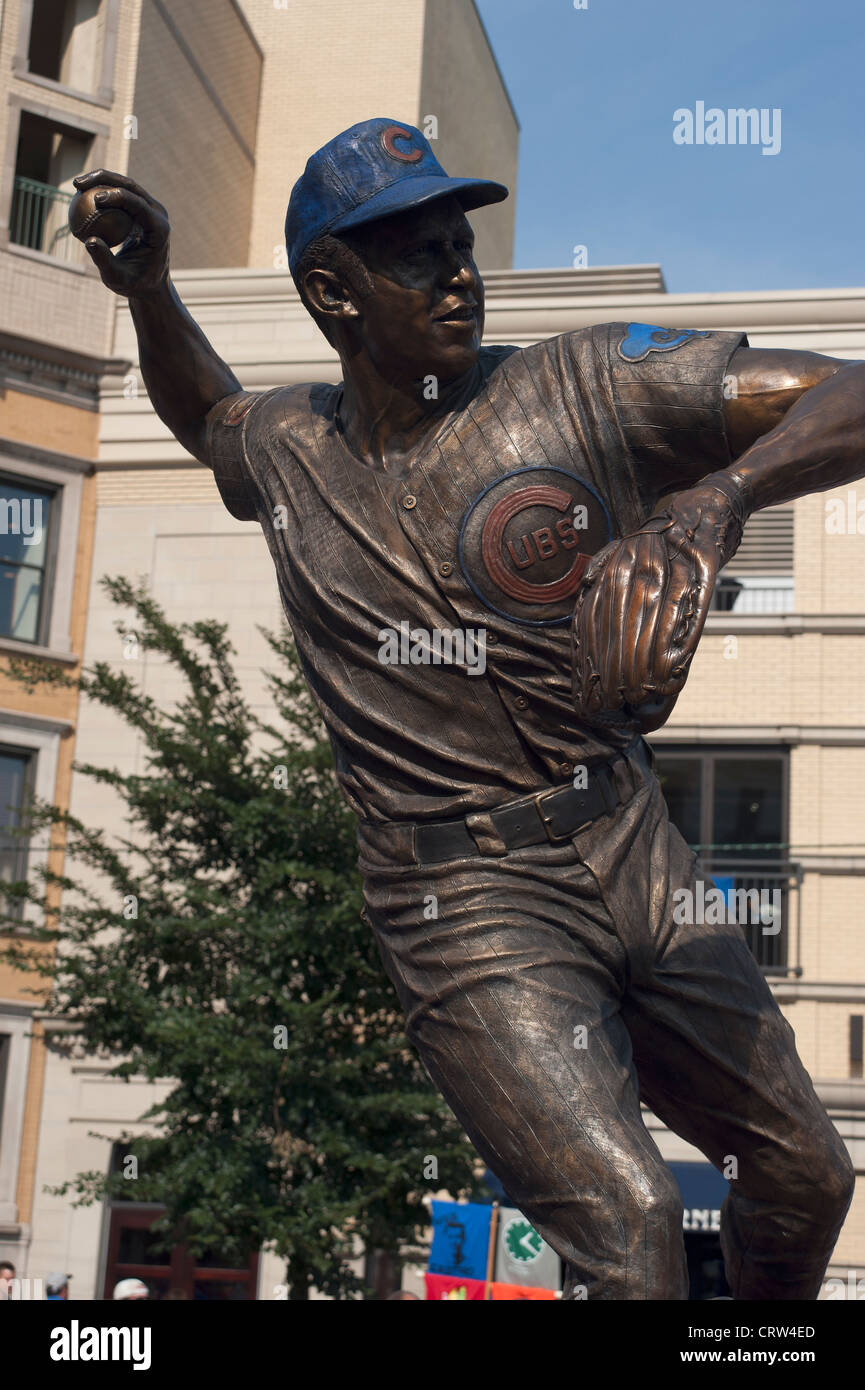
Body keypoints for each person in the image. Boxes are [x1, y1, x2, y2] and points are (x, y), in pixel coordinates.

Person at [73, 117, 861, 1300]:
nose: (458, 273)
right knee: (632, 1226)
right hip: (465, 898)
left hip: (634, 844)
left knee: (805, 1175)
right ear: (332, 292)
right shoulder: (290, 448)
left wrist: (720, 499)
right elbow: (206, 419)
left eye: (462, 244)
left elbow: (848, 391)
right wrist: (148, 294)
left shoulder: (589, 381)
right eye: (418, 255)